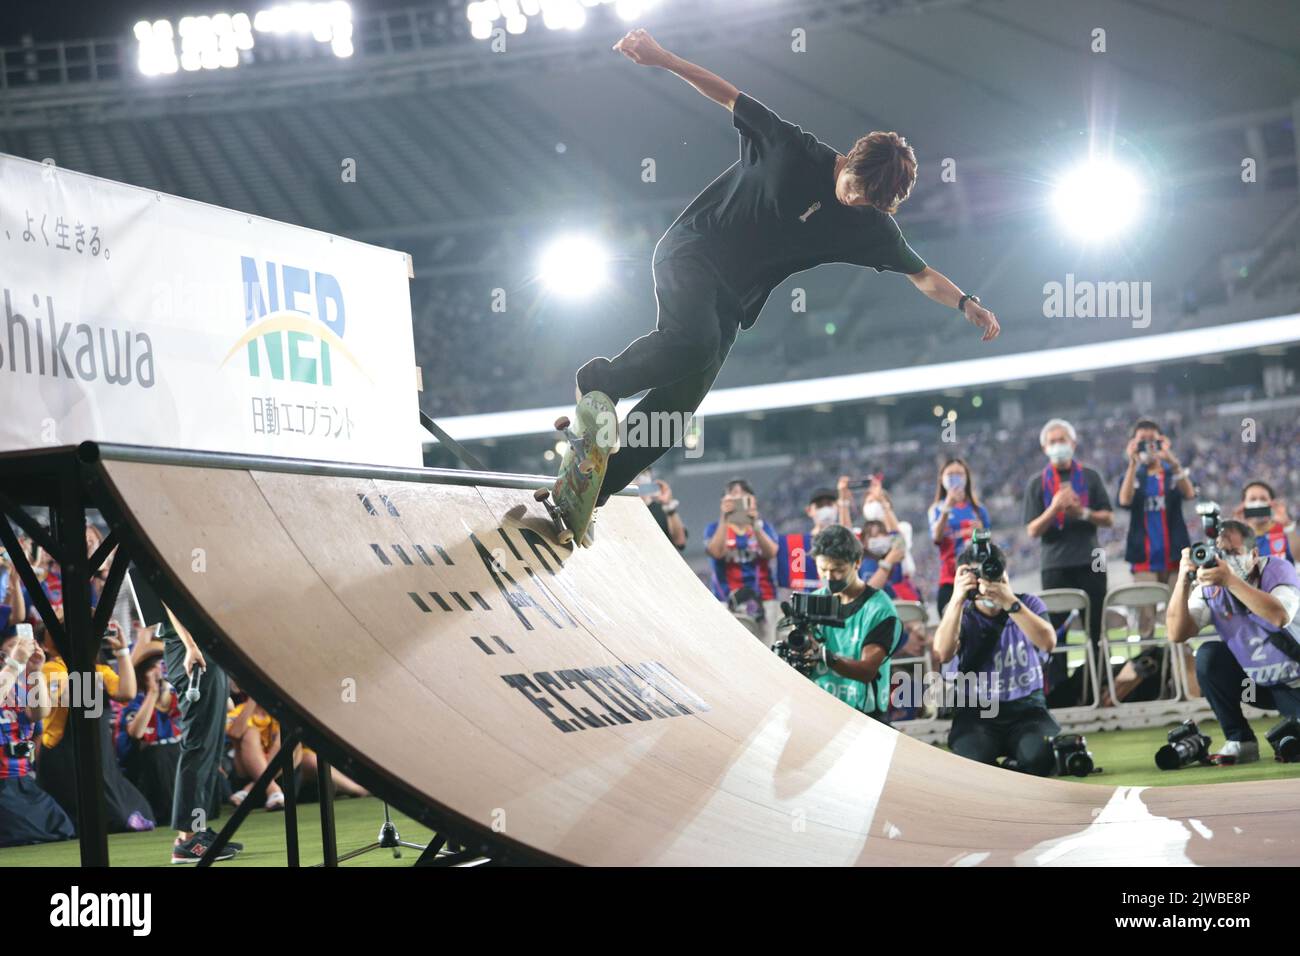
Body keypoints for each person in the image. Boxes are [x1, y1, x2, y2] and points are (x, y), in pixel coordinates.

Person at [577, 28, 1000, 506]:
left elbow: (921, 274)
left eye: (868, 202)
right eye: (855, 186)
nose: (855, 199)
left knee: (676, 411)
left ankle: (594, 489)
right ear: (851, 158)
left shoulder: (871, 226)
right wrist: (662, 58)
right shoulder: (792, 148)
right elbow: (727, 93)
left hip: (732, 302)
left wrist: (966, 303)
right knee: (694, 344)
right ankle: (600, 383)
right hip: (691, 250)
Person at [1166, 519, 1300, 763]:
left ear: (1255, 554)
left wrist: (1230, 581)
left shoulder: (1278, 569)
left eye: (1233, 552)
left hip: (1295, 683)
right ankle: (1240, 740)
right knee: (1208, 655)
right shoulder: (1209, 588)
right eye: (1220, 554)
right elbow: (1176, 633)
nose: (1226, 561)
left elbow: (1279, 617)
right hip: (1258, 684)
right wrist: (1183, 579)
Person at [933, 540, 1060, 774]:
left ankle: (1016, 765)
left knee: (1041, 758)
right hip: (976, 712)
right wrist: (957, 598)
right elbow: (942, 652)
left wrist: (1009, 601)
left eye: (991, 572)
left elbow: (1047, 642)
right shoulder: (960, 613)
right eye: (977, 575)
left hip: (1026, 709)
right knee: (972, 767)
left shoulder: (1028, 604)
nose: (986, 581)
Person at [1023, 418, 1113, 702]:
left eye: (1063, 440)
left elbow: (1108, 518)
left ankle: (1098, 688)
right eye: (1053, 442)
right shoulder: (1037, 484)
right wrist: (1054, 509)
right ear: (1044, 447)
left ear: (1073, 444)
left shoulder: (1090, 476)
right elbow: (1032, 529)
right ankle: (1059, 693)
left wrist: (1081, 513)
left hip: (1091, 561)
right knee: (1055, 633)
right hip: (1055, 566)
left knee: (1095, 629)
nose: (1058, 446)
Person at [802, 525, 903, 723]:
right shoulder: (812, 602)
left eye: (838, 570)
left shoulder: (879, 608)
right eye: (823, 569)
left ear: (857, 562)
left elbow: (867, 671)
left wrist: (824, 656)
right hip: (820, 709)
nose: (829, 577)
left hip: (864, 713)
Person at [1117, 419, 1194, 638]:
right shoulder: (1133, 476)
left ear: (1162, 441)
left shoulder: (1173, 473)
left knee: (1180, 614)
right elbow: (1124, 500)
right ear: (1133, 443)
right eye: (1143, 440)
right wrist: (1132, 463)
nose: (1149, 445)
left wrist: (1171, 459)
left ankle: (1182, 663)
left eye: (1154, 440)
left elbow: (1189, 493)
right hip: (1144, 560)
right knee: (1146, 620)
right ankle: (1150, 664)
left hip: (1175, 557)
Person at [0, 631, 74, 847]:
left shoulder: (19, 687)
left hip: (21, 781)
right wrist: (14, 663)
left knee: (61, 828)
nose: (23, 650)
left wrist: (35, 671)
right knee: (21, 833)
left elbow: (40, 712)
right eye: (16, 647)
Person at [115, 635, 182, 824]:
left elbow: (228, 706)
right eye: (152, 666)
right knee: (158, 752)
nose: (158, 670)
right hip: (143, 764)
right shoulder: (133, 701)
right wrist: (152, 693)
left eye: (160, 664)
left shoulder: (172, 694)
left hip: (172, 756)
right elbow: (136, 733)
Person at [705, 479, 780, 646]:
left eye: (744, 496)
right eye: (733, 495)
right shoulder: (714, 529)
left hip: (764, 598)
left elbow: (771, 553)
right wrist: (724, 519)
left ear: (753, 501)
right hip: (725, 599)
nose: (738, 499)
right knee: (728, 648)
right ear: (723, 502)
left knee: (766, 649)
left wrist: (755, 525)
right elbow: (716, 553)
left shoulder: (764, 527)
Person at [928, 459, 989, 616]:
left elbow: (989, 543)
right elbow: (936, 537)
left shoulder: (978, 509)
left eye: (959, 474)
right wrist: (947, 506)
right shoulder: (936, 510)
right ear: (942, 479)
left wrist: (980, 531)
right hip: (949, 579)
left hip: (977, 577)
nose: (955, 477)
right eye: (950, 474)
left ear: (967, 478)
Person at [775, 487, 840, 594]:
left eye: (829, 504)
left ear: (836, 508)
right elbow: (787, 587)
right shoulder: (795, 545)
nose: (825, 509)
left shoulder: (846, 541)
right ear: (809, 510)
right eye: (820, 506)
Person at [1238, 481, 1297, 565]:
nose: (1258, 503)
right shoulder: (1237, 536)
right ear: (1243, 505)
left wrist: (1287, 525)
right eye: (1252, 499)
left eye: (1263, 499)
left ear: (1272, 503)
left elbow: (1298, 557)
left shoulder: (1284, 532)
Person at [634, 470, 687, 552]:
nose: (640, 480)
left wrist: (669, 506)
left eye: (643, 475)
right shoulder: (620, 509)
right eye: (637, 476)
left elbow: (680, 542)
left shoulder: (661, 510)